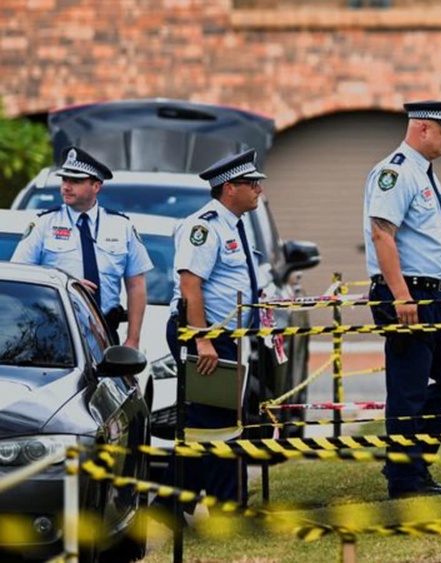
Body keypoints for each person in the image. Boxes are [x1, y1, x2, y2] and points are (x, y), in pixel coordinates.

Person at [363, 100, 441, 499]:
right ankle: (406, 481)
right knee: (408, 389)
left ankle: (409, 458)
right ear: (423, 128)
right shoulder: (395, 172)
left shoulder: (423, 173)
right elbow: (382, 235)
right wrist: (401, 296)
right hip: (410, 294)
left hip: (436, 295)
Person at [161, 148, 267, 511]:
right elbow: (190, 285)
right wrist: (202, 340)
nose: (258, 189)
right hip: (204, 335)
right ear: (228, 188)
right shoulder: (204, 226)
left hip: (225, 337)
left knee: (206, 422)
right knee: (218, 425)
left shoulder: (233, 226)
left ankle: (170, 504)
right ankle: (228, 507)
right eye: (251, 183)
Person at [12, 146, 152, 348]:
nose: (66, 187)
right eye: (64, 180)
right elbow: (21, 275)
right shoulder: (45, 223)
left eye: (75, 181)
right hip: (54, 332)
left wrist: (133, 339)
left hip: (105, 333)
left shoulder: (121, 225)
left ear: (96, 186)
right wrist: (65, 283)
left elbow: (136, 284)